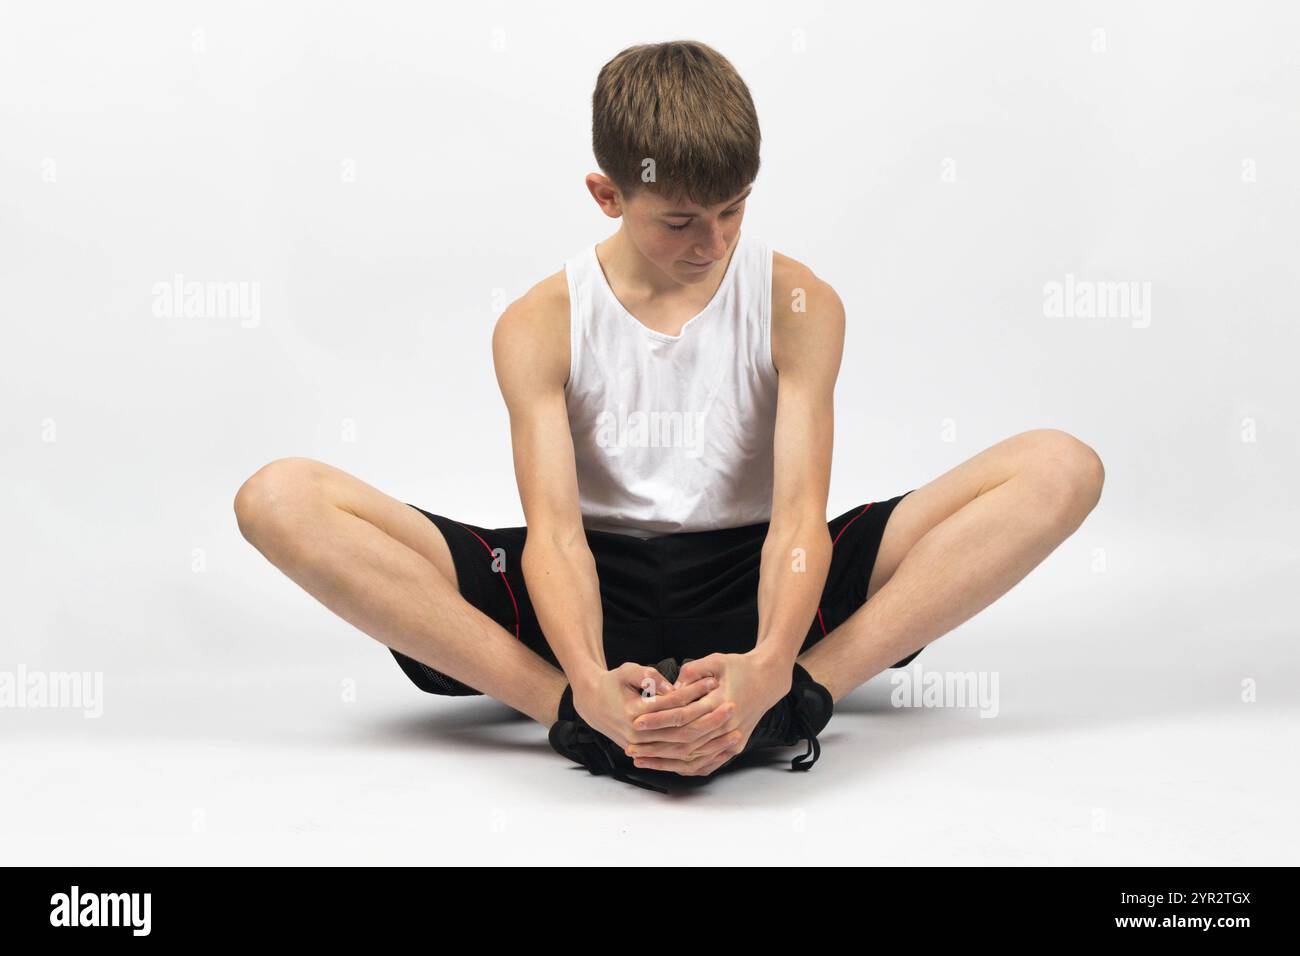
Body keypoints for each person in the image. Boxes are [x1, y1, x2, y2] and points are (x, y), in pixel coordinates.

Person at [234, 40, 1104, 793]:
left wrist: (773, 668)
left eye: (734, 210)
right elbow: (558, 535)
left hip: (758, 571)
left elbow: (800, 519)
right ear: (606, 195)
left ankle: (808, 693)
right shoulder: (539, 324)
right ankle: (562, 713)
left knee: (1060, 465)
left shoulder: (799, 302)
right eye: (682, 220)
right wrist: (580, 685)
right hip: (587, 585)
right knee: (279, 496)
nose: (714, 243)